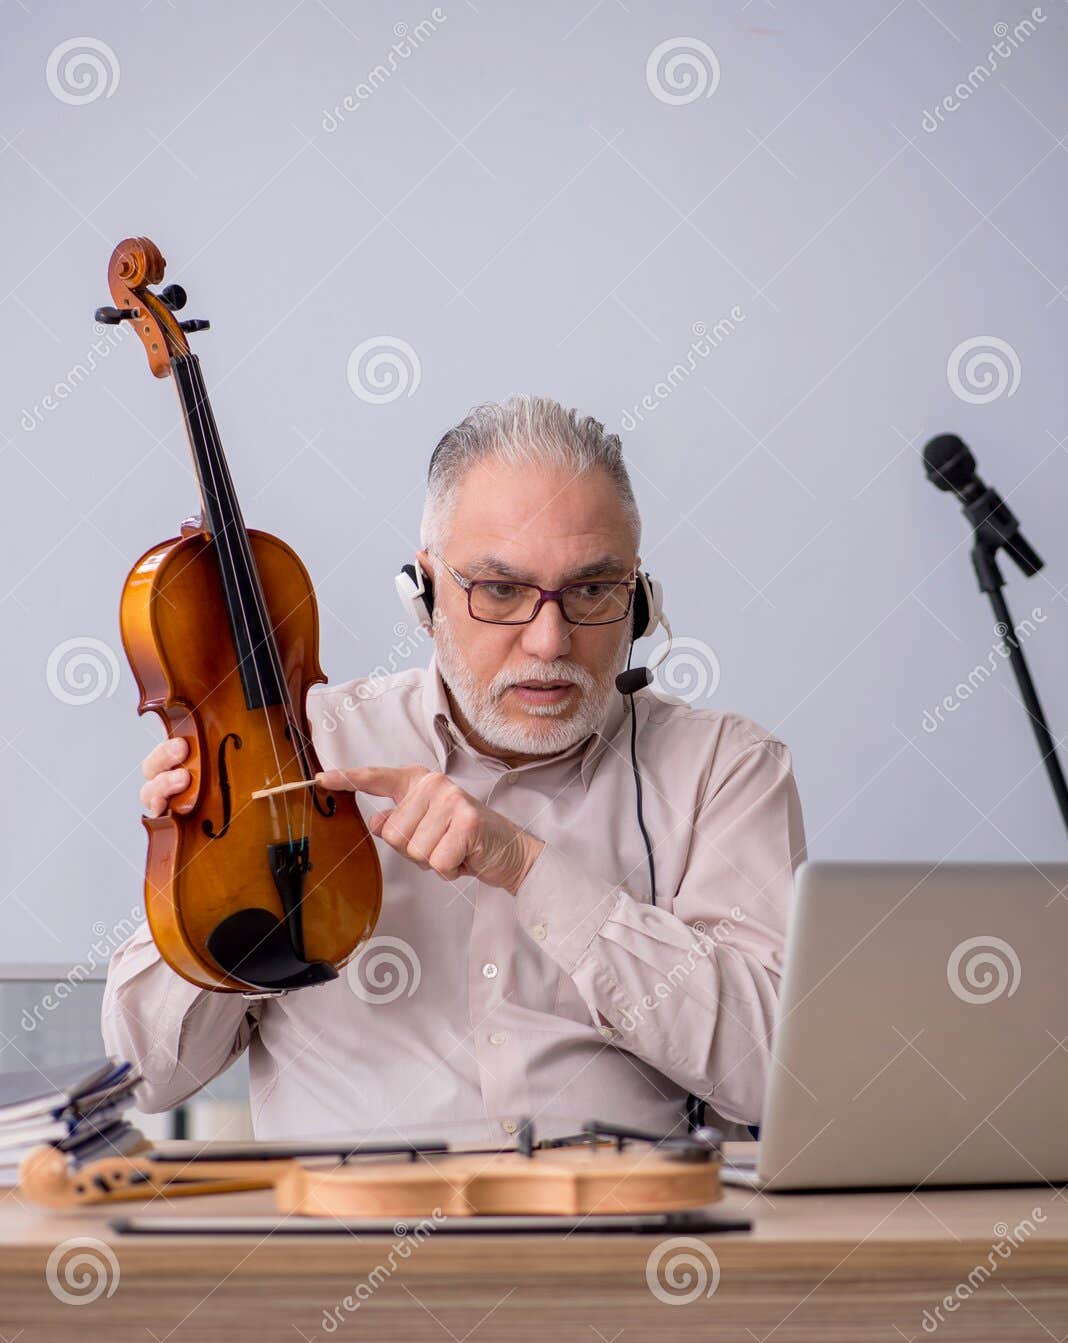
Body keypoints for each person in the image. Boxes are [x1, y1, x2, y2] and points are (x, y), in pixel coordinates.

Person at [102, 396, 806, 1147]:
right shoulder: (300, 749)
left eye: (593, 590)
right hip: (355, 1246)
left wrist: (531, 872)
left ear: (639, 600)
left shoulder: (725, 769)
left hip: (621, 1242)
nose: (548, 641)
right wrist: (205, 880)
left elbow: (780, 1076)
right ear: (425, 592)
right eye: (501, 590)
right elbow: (143, 1076)